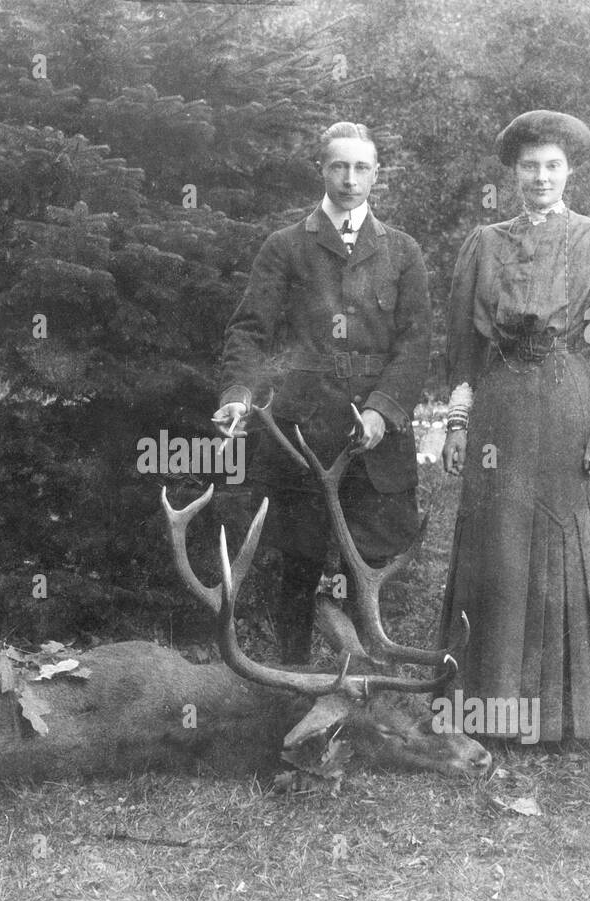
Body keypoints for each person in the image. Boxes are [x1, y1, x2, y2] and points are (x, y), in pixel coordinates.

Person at [438, 110, 590, 742]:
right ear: (513, 173)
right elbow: (463, 349)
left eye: (553, 166)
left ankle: (575, 713)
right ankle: (489, 704)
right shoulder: (484, 243)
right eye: (529, 166)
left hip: (569, 398)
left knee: (571, 536)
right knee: (501, 542)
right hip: (500, 406)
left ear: (569, 172)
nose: (540, 177)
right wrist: (458, 422)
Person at [213, 121, 431, 664]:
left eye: (361, 168)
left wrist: (382, 412)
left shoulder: (402, 252)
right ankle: (290, 673)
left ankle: (372, 678)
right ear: (322, 170)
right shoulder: (286, 246)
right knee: (299, 557)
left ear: (376, 175)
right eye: (339, 166)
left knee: (372, 559)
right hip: (302, 432)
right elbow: (250, 330)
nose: (350, 179)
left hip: (375, 440)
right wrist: (237, 396)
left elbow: (416, 345)